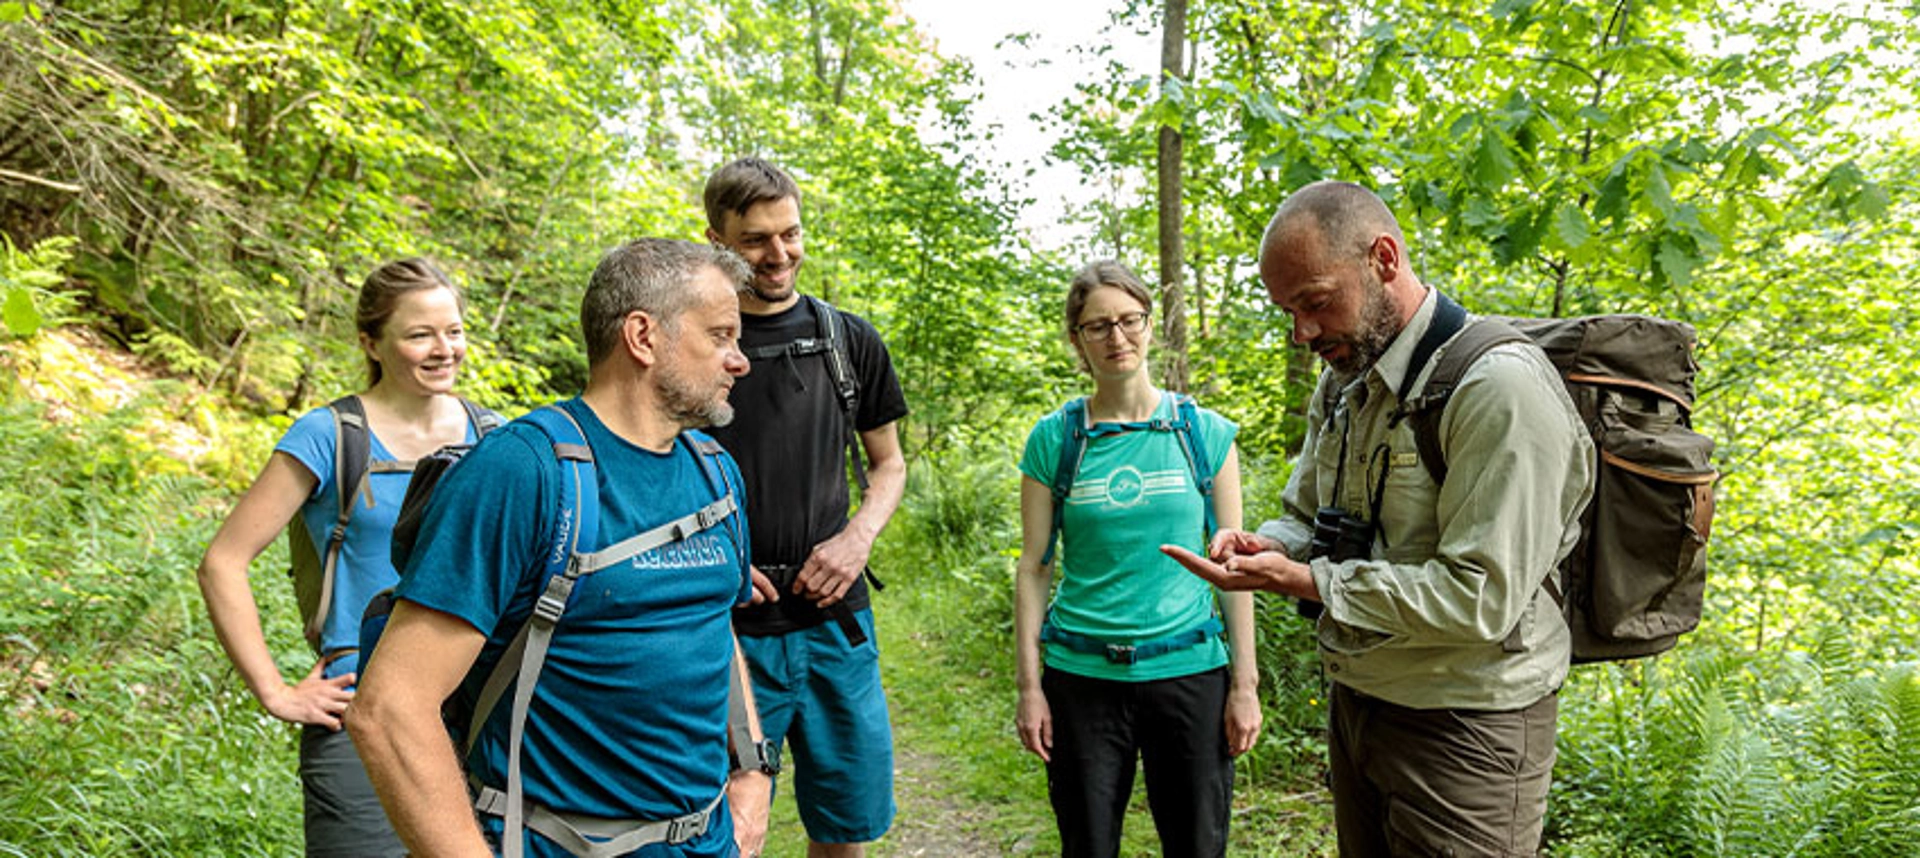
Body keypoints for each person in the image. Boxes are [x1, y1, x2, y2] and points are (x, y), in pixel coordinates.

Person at [1165, 180, 1595, 857]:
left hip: (1468, 725)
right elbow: (1308, 518)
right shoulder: (1346, 379)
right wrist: (1263, 546)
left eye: (1315, 302)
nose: (1302, 332)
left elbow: (1483, 597)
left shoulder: (1498, 390)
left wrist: (1308, 584)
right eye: (1288, 310)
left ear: (1383, 259)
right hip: (1360, 702)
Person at [345, 239, 773, 858]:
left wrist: (753, 772)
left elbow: (714, 629)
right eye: (721, 335)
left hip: (709, 842)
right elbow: (389, 710)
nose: (740, 361)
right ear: (643, 337)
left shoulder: (715, 471)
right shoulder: (524, 472)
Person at [195, 258, 497, 857]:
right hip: (361, 708)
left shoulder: (494, 438)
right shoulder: (328, 436)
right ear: (371, 342)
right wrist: (276, 692)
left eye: (454, 330)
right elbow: (222, 562)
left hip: (474, 707)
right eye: (419, 334)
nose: (444, 349)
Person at [1012, 260, 1262, 858]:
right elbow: (1035, 567)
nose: (1117, 338)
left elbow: (1233, 567)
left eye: (1130, 320)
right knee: (1089, 845)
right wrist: (1029, 687)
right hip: (1083, 678)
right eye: (1097, 326)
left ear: (1151, 325)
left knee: (1198, 846)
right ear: (1076, 339)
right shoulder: (1055, 439)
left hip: (1189, 672)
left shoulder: (1203, 434)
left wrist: (1245, 685)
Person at [700, 157, 908, 857]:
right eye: (756, 239)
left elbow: (890, 465)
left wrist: (858, 539)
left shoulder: (849, 341)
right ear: (716, 240)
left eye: (789, 233)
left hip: (836, 623)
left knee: (846, 825)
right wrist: (717, 565)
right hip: (723, 628)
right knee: (720, 829)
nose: (778, 253)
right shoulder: (690, 350)